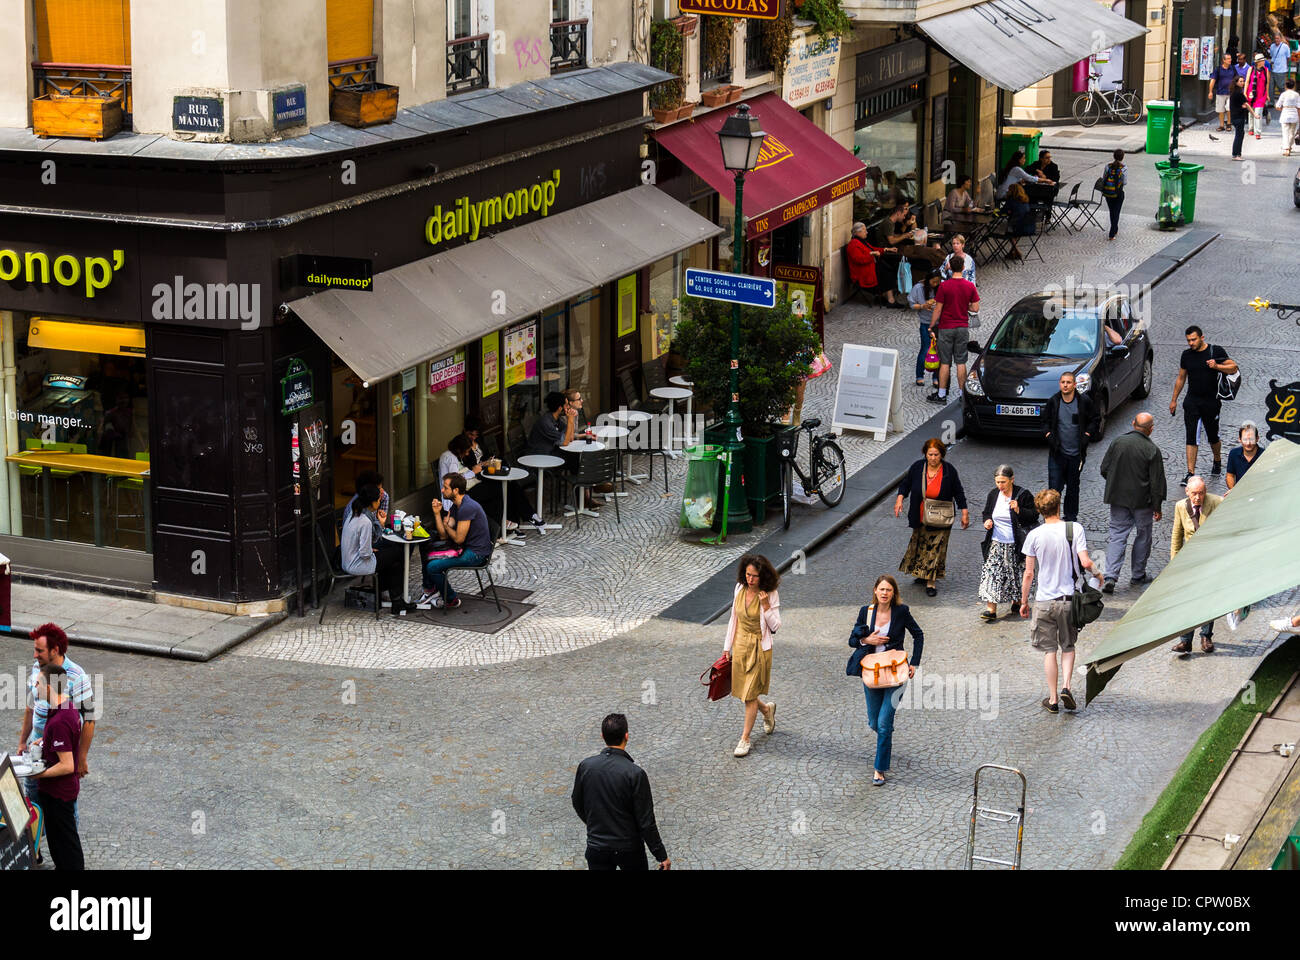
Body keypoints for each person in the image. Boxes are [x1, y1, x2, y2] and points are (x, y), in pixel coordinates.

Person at [1020, 488, 1096, 713]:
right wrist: (1099, 575)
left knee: (1049, 650)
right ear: (1059, 506)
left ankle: (1053, 699)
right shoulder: (1075, 529)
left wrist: (1024, 601)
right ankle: (1066, 687)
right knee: (1068, 646)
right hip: (1067, 600)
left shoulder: (1034, 535)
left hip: (1044, 601)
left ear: (1039, 510)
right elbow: (1085, 562)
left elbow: (1028, 574)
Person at [846, 575, 923, 785]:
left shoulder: (901, 611)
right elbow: (852, 640)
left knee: (883, 722)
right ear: (875, 590)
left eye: (888, 590)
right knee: (874, 722)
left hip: (896, 671)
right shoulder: (866, 612)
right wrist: (866, 639)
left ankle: (879, 769)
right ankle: (885, 733)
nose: (884, 593)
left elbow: (918, 635)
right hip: (871, 672)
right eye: (881, 589)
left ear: (893, 592)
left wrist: (913, 662)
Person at [571, 713, 670, 871]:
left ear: (602, 736)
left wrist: (594, 824)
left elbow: (577, 801)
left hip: (597, 847)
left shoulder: (586, 767)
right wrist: (661, 855)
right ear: (627, 736)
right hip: (629, 849)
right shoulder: (635, 774)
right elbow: (646, 821)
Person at [17, 624, 96, 814]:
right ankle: (35, 841)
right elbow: (30, 707)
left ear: (55, 650)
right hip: (36, 751)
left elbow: (90, 719)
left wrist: (82, 758)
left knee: (62, 809)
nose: (35, 655)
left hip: (60, 756)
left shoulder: (77, 675)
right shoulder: (38, 668)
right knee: (33, 807)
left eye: (39, 650)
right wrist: (22, 743)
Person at [1098, 412, 1166, 594]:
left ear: (1133, 423)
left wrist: (1116, 483)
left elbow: (1104, 469)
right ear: (1151, 429)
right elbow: (1157, 482)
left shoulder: (1118, 442)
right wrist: (1157, 506)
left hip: (1118, 499)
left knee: (1117, 535)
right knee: (1143, 536)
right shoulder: (1152, 450)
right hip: (1143, 502)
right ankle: (1137, 574)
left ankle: (1110, 576)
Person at [894, 438, 969, 597]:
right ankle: (922, 573)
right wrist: (900, 499)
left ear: (942, 454)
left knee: (935, 549)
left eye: (936, 455)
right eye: (930, 454)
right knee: (921, 545)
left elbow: (958, 491)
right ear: (925, 454)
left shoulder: (949, 471)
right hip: (920, 515)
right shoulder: (917, 467)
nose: (933, 458)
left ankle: (931, 582)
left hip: (941, 517)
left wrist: (964, 512)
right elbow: (905, 484)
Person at [722, 554, 781, 759]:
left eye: (754, 576)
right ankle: (766, 710)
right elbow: (733, 620)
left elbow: (775, 626)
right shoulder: (739, 588)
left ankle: (745, 738)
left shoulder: (770, 594)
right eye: (747, 574)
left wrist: (765, 607)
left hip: (759, 647)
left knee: (748, 695)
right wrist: (726, 648)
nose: (750, 579)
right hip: (740, 645)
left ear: (762, 576)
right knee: (745, 692)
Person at [30, 665, 83, 870]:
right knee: (62, 844)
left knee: (65, 849)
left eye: (39, 682)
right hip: (60, 792)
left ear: (50, 686)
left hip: (58, 794)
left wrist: (39, 774)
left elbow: (67, 765)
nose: (35, 686)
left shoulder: (59, 720)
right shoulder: (64, 709)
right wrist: (44, 742)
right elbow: (62, 740)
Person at [1170, 325, 1237, 485]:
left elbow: (1233, 368)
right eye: (1188, 341)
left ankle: (1217, 459)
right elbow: (1181, 377)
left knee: (1213, 436)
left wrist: (1217, 366)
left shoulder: (1215, 351)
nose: (1191, 343)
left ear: (1202, 337)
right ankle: (1190, 472)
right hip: (1192, 401)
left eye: (1193, 339)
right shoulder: (1186, 355)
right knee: (1191, 436)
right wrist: (1174, 399)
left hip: (1211, 402)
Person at [418, 473, 493, 608]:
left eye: (445, 488)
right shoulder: (456, 505)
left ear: (456, 490)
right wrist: (437, 513)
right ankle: (431, 590)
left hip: (476, 554)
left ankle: (451, 599)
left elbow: (458, 539)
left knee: (432, 567)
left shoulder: (467, 507)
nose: (442, 490)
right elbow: (443, 535)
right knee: (427, 549)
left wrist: (447, 526)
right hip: (465, 548)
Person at [979, 465, 1039, 621]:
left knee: (1014, 573)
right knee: (992, 574)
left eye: (1003, 482)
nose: (1000, 486)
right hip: (996, 542)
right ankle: (990, 609)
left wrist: (1019, 510)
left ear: (1012, 480)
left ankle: (1017, 601)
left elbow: (1034, 515)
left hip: (1016, 543)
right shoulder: (993, 494)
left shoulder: (1023, 495)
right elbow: (986, 512)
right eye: (997, 482)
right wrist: (987, 521)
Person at [1169, 476, 1222, 654]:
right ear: (1187, 492)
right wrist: (1174, 566)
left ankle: (1206, 636)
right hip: (1190, 562)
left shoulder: (1216, 502)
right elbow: (1177, 537)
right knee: (1187, 601)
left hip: (1210, 559)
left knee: (1207, 599)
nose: (1198, 498)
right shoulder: (1180, 506)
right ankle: (1185, 640)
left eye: (1201, 493)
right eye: (1194, 494)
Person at [342, 483, 412, 615]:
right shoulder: (365, 521)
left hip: (349, 559)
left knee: (394, 561)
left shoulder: (354, 512)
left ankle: (397, 602)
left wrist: (380, 523)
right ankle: (394, 598)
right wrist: (370, 550)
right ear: (372, 502)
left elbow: (363, 544)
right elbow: (365, 553)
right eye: (379, 500)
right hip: (356, 564)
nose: (380, 502)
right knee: (397, 553)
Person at [1043, 371, 1100, 523]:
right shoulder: (1054, 402)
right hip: (1057, 454)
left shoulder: (1084, 402)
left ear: (1074, 385)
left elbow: (1095, 419)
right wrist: (1049, 436)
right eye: (1063, 382)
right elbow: (1044, 421)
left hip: (1076, 455)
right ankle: (1052, 518)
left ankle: (1070, 518)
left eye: (1069, 382)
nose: (1066, 385)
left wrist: (1087, 435)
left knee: (1073, 489)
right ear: (1060, 384)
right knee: (1054, 490)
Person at [927, 258, 979, 404]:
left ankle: (942, 395)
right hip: (962, 328)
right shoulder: (970, 286)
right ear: (963, 267)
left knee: (945, 363)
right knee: (961, 362)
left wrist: (931, 326)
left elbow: (938, 309)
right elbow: (975, 308)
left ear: (950, 268)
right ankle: (963, 396)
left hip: (946, 328)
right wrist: (964, 306)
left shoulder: (944, 286)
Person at [846, 221, 902, 307]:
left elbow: (872, 248)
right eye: (865, 230)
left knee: (888, 269)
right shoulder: (853, 244)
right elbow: (859, 259)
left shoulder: (860, 241)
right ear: (858, 232)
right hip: (862, 274)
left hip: (868, 268)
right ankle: (890, 300)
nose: (867, 232)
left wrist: (886, 249)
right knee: (887, 273)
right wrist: (872, 255)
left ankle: (885, 297)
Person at [909, 271, 943, 386]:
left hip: (940, 323)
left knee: (939, 350)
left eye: (937, 282)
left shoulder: (941, 287)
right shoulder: (918, 288)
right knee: (925, 348)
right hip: (925, 323)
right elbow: (912, 304)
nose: (935, 284)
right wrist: (923, 306)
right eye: (933, 282)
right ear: (928, 280)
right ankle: (919, 375)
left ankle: (936, 377)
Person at [525, 391, 575, 458]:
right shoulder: (546, 422)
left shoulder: (556, 419)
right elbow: (565, 442)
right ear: (560, 408)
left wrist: (572, 419)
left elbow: (570, 438)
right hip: (539, 457)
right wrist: (570, 420)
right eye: (566, 405)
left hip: (550, 452)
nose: (569, 407)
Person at [1225, 420, 1265, 490]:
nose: (1248, 443)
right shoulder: (1233, 453)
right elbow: (1230, 476)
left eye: (1251, 439)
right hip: (1239, 491)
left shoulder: (1265, 455)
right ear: (1240, 439)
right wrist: (1232, 491)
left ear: (1257, 439)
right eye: (1245, 439)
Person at [1208, 52, 1239, 130]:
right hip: (1220, 92)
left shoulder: (1233, 68)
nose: (1230, 60)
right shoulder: (1218, 69)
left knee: (1229, 108)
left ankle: (1229, 124)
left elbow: (1237, 79)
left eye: (1230, 58)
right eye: (1228, 59)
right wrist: (1210, 91)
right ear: (1223, 60)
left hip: (1231, 92)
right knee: (1220, 110)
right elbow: (1213, 80)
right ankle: (1221, 125)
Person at [1247, 54, 1271, 138]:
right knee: (1251, 112)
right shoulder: (1251, 69)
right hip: (1251, 93)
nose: (1264, 62)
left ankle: (1258, 132)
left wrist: (1267, 94)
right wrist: (1244, 93)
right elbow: (1247, 82)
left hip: (1261, 95)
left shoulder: (1266, 70)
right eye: (1263, 60)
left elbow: (1267, 83)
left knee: (1258, 113)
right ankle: (1251, 129)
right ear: (1258, 62)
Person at [1276, 78, 1300, 156]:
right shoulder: (1297, 95)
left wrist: (1283, 108)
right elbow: (1299, 107)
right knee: (1292, 133)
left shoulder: (1283, 94)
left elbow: (1277, 106)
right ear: (1294, 86)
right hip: (1294, 114)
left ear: (1286, 86)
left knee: (1285, 132)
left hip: (1285, 113)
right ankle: (1289, 146)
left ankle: (1286, 148)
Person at [1230, 76, 1250, 160]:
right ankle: (1236, 154)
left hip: (1235, 117)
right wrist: (1254, 114)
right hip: (1238, 117)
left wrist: (1243, 106)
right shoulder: (1238, 92)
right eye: (1240, 81)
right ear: (1236, 82)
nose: (1242, 83)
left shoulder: (1234, 92)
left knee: (1240, 134)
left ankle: (1237, 154)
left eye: (1243, 81)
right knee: (1239, 135)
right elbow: (1246, 103)